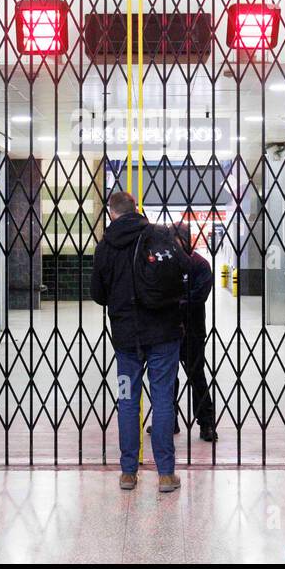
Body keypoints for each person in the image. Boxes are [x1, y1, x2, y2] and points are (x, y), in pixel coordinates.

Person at [90, 191, 184, 493]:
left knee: (127, 400)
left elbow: (97, 295)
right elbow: (185, 270)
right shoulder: (158, 235)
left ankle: (128, 473)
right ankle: (166, 474)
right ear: (136, 209)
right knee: (162, 398)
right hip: (164, 333)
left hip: (126, 340)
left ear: (112, 212)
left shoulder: (105, 247)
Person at [173, 221, 218, 441]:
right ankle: (168, 420)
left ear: (184, 239)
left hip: (193, 330)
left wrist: (174, 302)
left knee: (196, 375)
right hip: (169, 329)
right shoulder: (167, 262)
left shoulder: (200, 264)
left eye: (176, 239)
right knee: (167, 377)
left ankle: (206, 423)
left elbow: (200, 295)